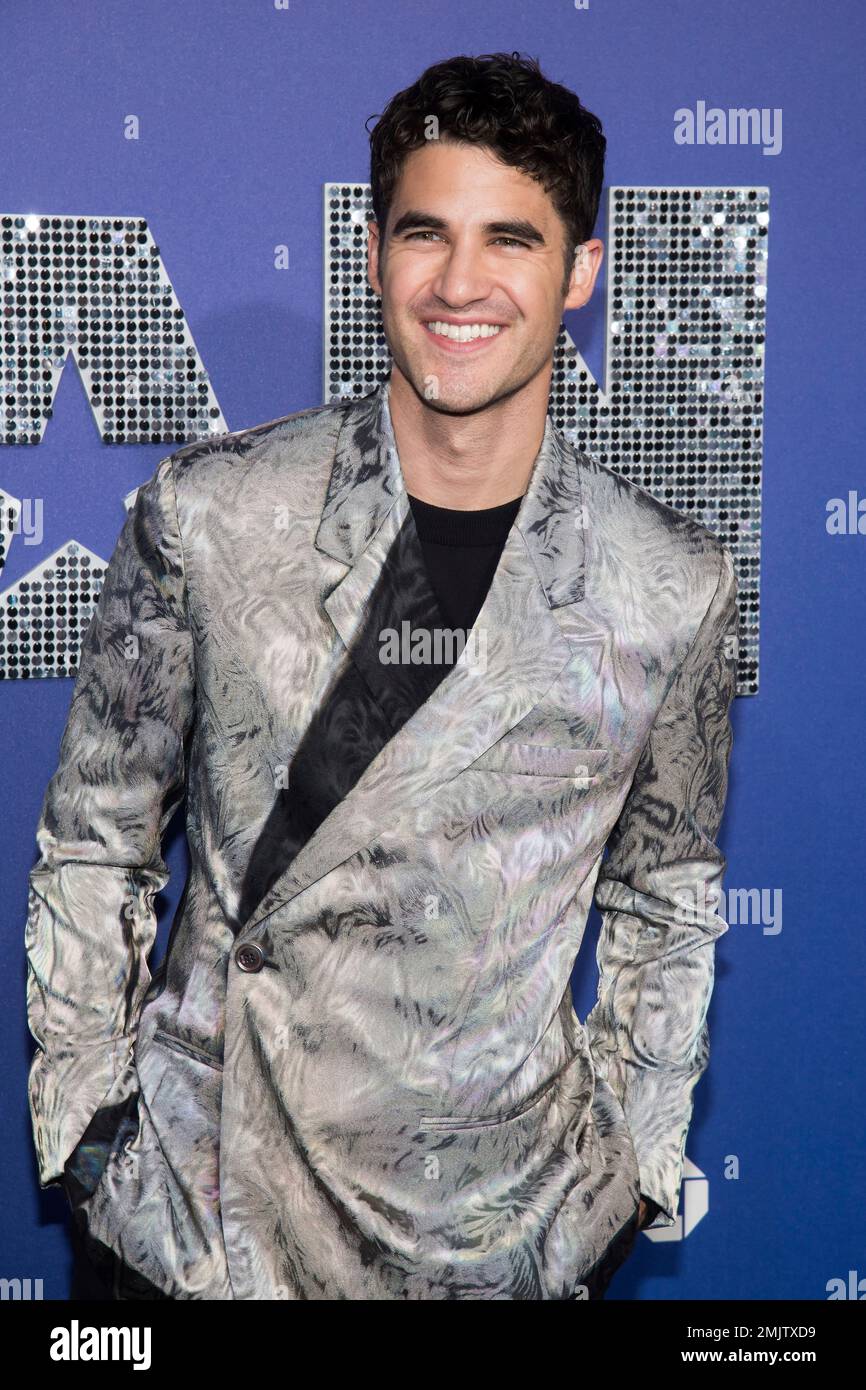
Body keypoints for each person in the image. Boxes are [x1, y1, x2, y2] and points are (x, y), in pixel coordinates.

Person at [25, 51, 738, 1300]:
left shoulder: (665, 584)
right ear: (370, 254)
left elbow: (665, 892)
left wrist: (628, 1160)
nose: (459, 284)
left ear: (579, 272)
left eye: (509, 240)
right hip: (208, 1228)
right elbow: (96, 838)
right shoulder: (212, 516)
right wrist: (91, 1124)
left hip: (497, 1237)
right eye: (425, 233)